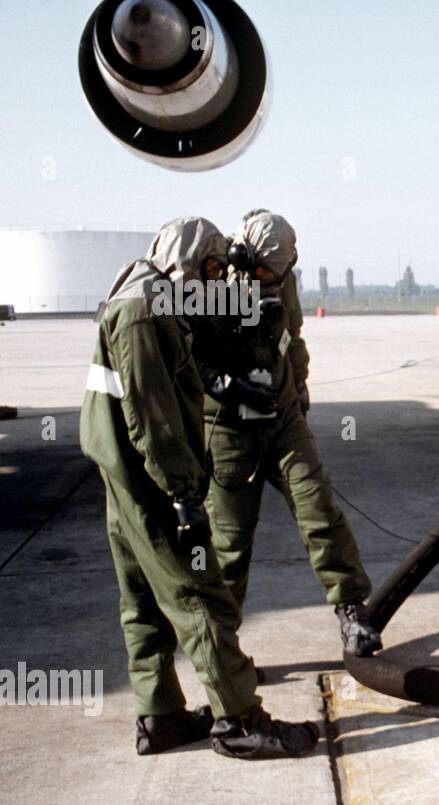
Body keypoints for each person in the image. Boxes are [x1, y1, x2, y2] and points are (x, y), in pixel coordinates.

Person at [80, 216, 319, 759]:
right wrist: (185, 493)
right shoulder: (145, 313)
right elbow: (153, 419)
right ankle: (239, 720)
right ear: (184, 262)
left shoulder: (143, 294)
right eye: (209, 270)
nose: (215, 285)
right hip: (151, 484)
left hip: (124, 480)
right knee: (199, 593)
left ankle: (160, 716)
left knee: (142, 601)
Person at [192, 210, 380, 656]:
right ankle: (224, 651)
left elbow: (291, 337)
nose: (265, 281)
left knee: (318, 507)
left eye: (273, 275)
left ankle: (350, 608)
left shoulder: (282, 279)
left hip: (281, 417)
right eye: (257, 272)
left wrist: (298, 383)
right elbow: (186, 350)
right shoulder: (211, 278)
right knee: (230, 543)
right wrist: (224, 383)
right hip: (229, 425)